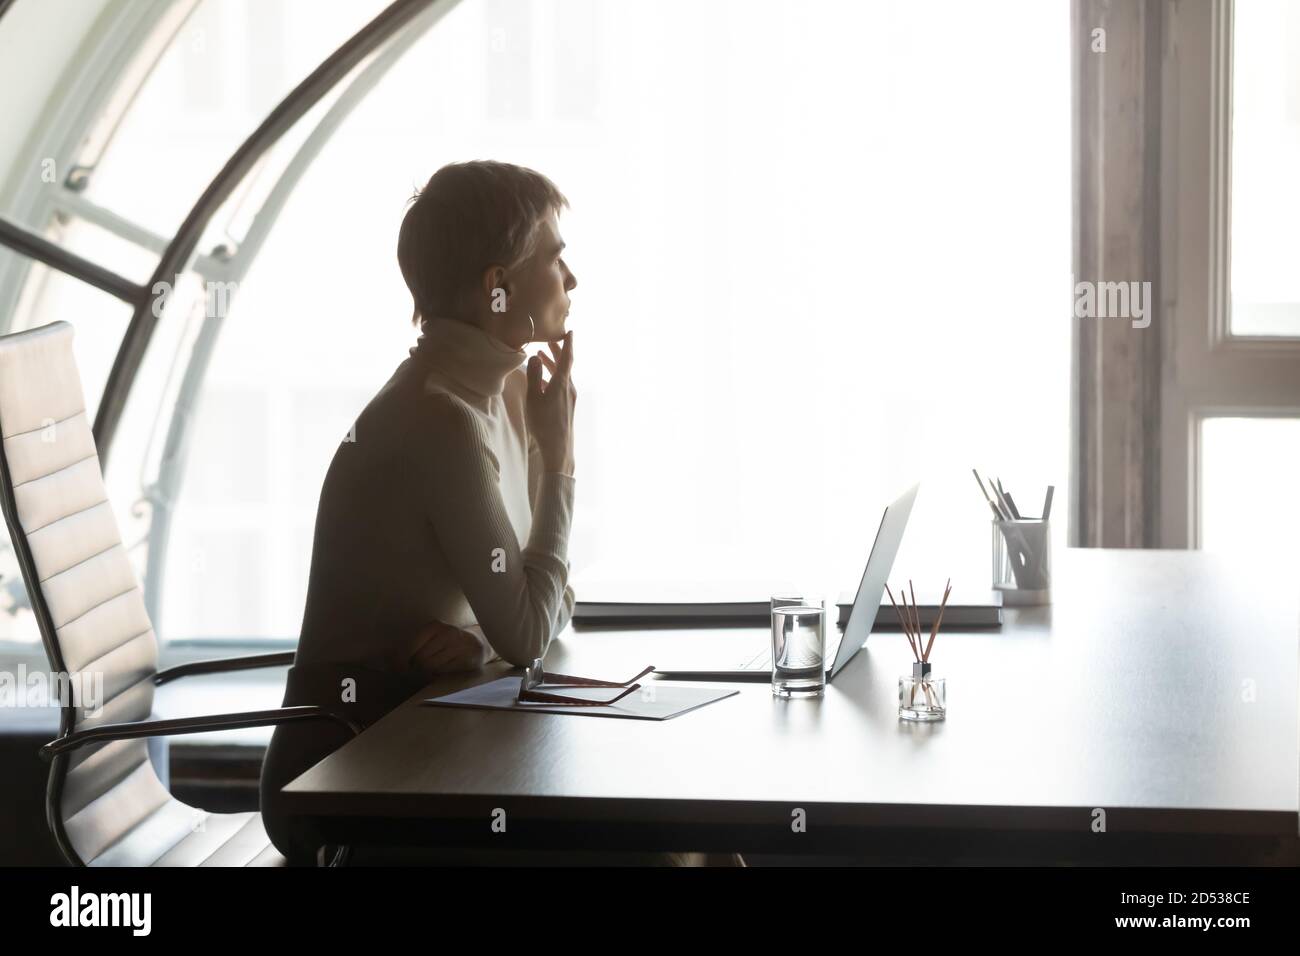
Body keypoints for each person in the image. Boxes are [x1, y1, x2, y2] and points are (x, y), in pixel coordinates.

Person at [259, 160, 741, 866]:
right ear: (497, 286)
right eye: (555, 257)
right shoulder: (440, 419)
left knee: (697, 844)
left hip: (425, 741)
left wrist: (484, 638)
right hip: (341, 775)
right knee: (670, 851)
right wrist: (561, 460)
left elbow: (540, 611)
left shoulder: (504, 393)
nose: (571, 280)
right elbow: (530, 628)